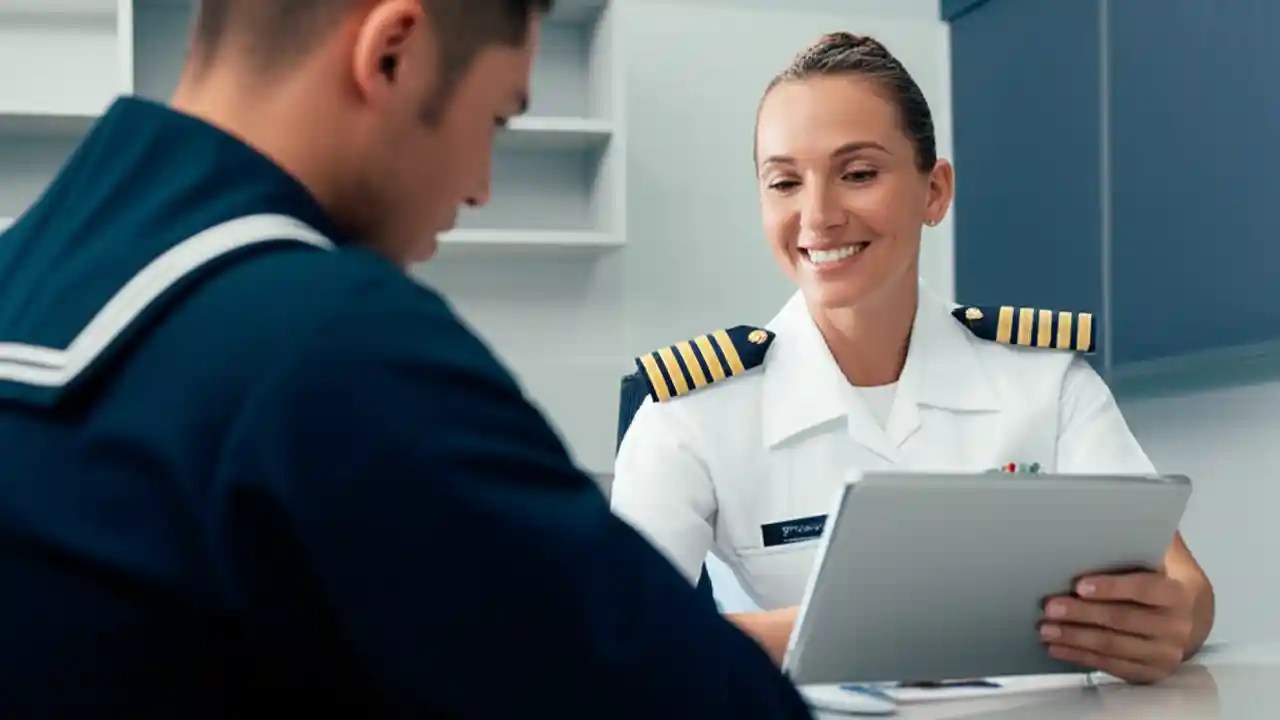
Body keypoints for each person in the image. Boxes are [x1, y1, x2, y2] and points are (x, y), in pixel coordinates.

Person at [0, 1, 814, 717]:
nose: (481, 186)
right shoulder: (327, 343)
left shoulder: (25, 276)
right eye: (495, 120)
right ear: (392, 51)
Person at [610, 31, 1215, 684]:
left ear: (935, 191)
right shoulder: (691, 412)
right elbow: (618, 635)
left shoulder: (1047, 381)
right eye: (784, 182)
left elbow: (1183, 584)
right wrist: (892, 629)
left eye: (859, 174)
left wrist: (1173, 622)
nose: (817, 215)